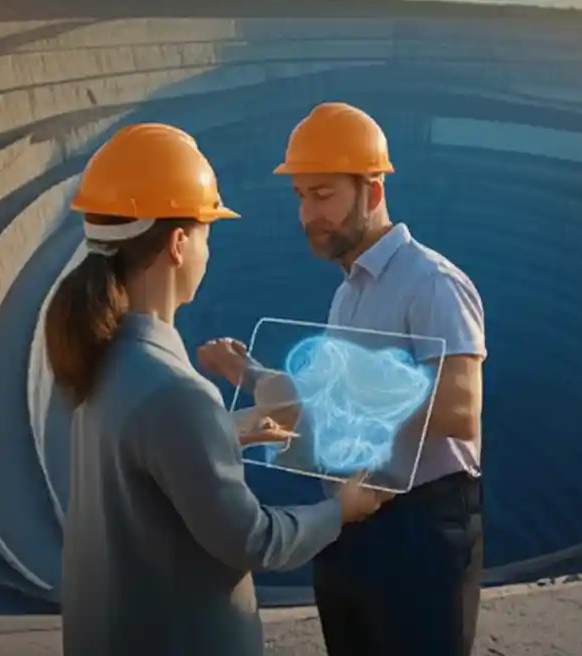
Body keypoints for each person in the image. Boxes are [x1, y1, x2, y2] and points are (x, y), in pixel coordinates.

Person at [45, 122, 389, 656]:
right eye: (207, 233)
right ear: (178, 244)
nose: (209, 250)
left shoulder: (102, 356)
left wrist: (229, 431)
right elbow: (254, 540)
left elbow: (140, 455)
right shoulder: (175, 393)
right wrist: (339, 511)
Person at [198, 102, 487, 655]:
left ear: (372, 192)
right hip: (348, 515)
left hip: (420, 526)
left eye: (323, 195)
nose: (308, 214)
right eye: (301, 196)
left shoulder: (432, 282)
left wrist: (342, 404)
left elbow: (459, 407)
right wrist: (250, 374)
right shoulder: (346, 295)